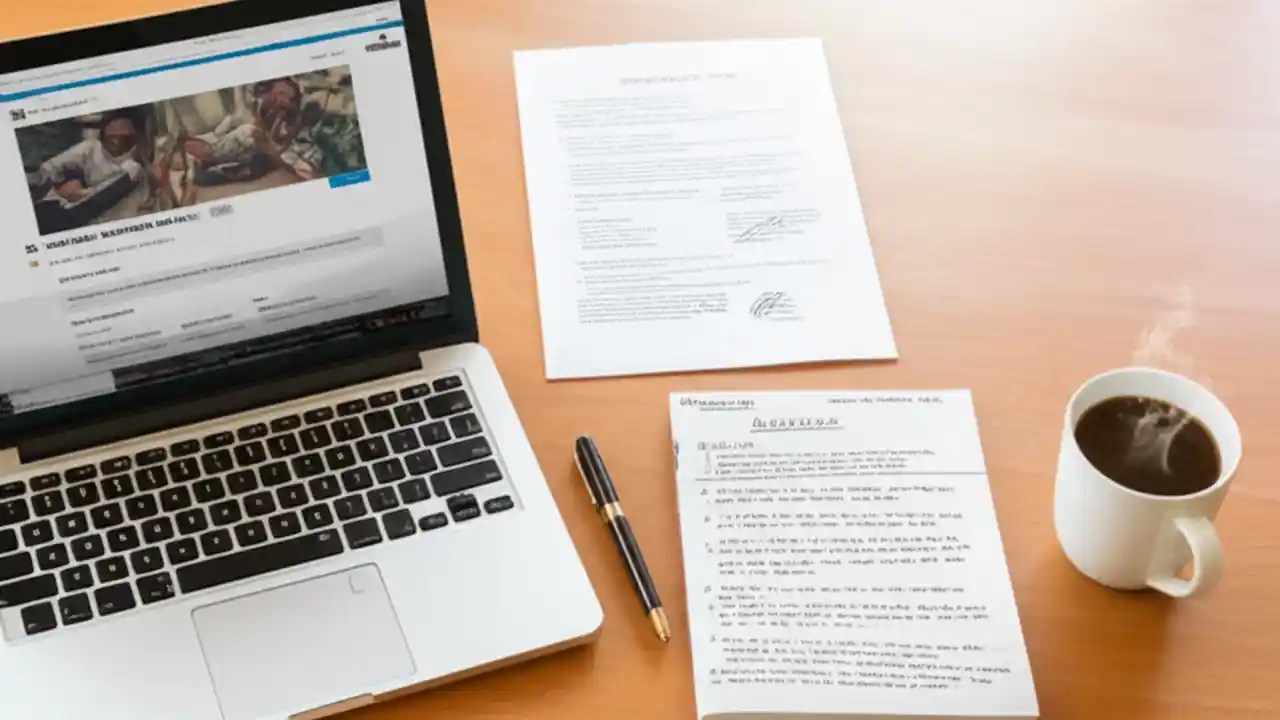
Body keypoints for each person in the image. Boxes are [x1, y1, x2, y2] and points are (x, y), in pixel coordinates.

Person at [27, 109, 148, 234]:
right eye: (111, 137)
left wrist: (81, 193)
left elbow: (98, 200)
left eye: (124, 139)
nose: (116, 142)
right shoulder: (90, 148)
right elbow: (49, 168)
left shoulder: (132, 169)